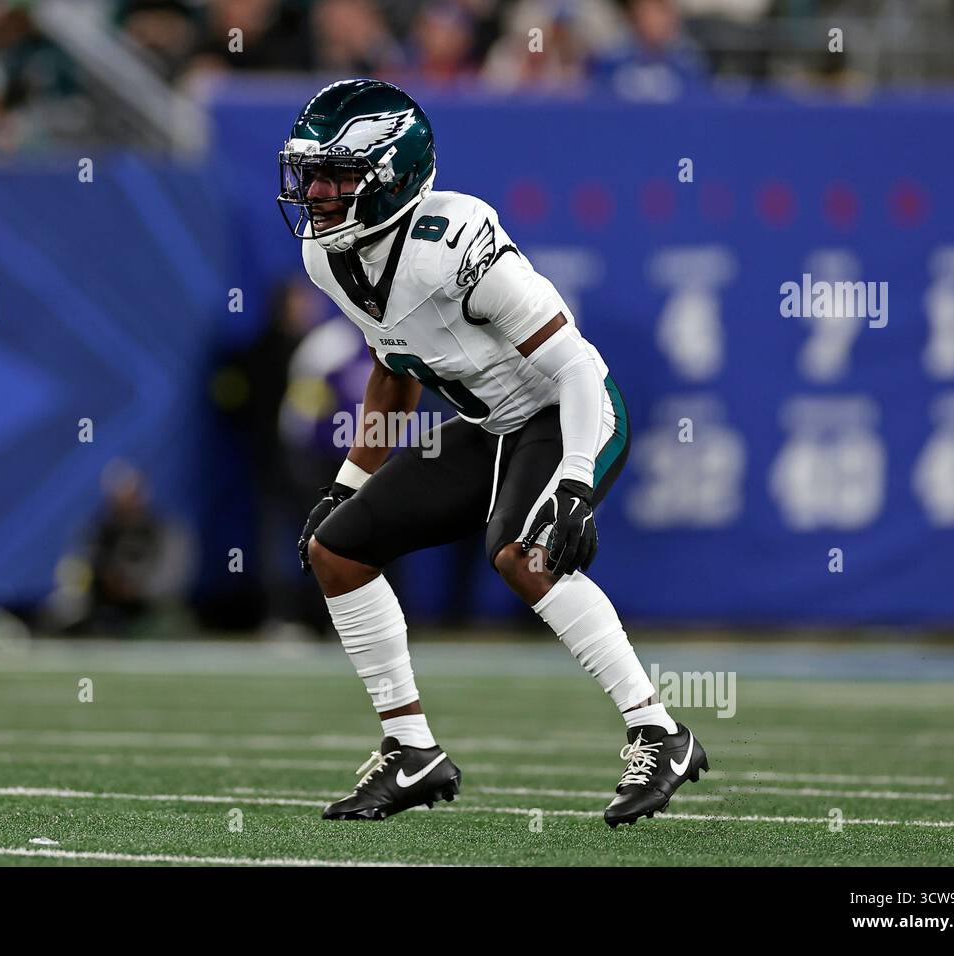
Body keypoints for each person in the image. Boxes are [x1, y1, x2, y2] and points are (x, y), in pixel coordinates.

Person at [279, 79, 707, 826]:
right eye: (312, 172)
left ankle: (658, 729)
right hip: (493, 425)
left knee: (521, 553)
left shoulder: (458, 243)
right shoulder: (328, 255)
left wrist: (574, 481)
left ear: (392, 180)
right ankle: (411, 750)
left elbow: (577, 367)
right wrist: (351, 482)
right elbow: (393, 369)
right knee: (336, 549)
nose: (316, 191)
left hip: (570, 412)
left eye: (338, 176)